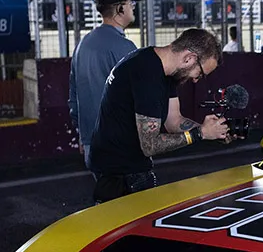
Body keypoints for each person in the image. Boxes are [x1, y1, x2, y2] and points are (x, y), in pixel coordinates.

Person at [87, 28, 233, 203]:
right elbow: (150, 145)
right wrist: (200, 133)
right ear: (189, 58)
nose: (196, 80)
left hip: (129, 166)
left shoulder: (162, 69)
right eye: (200, 73)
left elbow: (174, 121)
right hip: (117, 172)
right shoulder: (147, 75)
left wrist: (214, 131)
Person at [69, 0, 142, 167]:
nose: (133, 7)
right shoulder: (125, 47)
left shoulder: (82, 45)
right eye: (130, 3)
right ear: (120, 8)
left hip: (91, 142)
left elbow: (74, 97)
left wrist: (83, 135)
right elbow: (139, 98)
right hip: (120, 143)